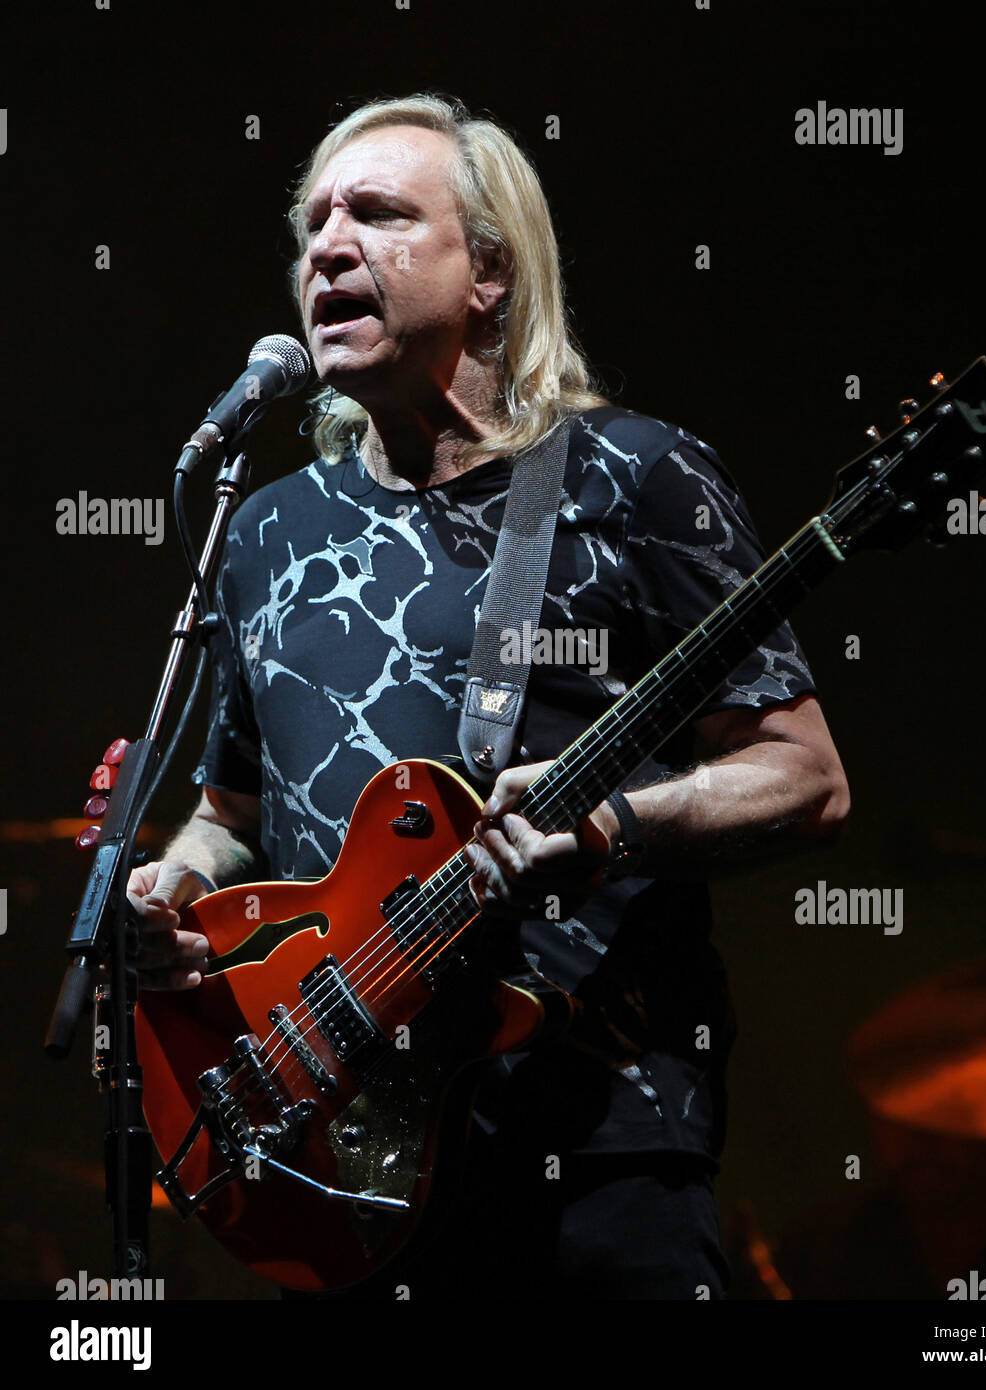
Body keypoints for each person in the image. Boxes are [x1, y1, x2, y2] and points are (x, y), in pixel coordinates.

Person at [128, 93, 850, 1300]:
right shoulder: (267, 529)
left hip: (596, 1132)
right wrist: (174, 886)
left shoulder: (638, 477)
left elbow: (805, 775)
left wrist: (616, 830)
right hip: (348, 1156)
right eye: (312, 224)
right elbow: (228, 807)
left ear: (493, 274)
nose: (329, 246)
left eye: (379, 214)